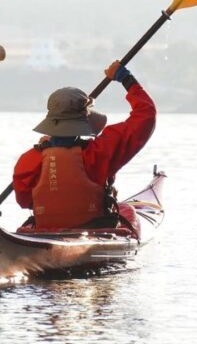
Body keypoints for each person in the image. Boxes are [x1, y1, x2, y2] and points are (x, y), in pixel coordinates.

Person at [12, 60, 156, 235]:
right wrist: (127, 80)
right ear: (83, 122)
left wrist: (50, 151)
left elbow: (24, 201)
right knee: (126, 210)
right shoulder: (100, 152)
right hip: (94, 231)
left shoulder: (29, 159)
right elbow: (146, 116)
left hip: (46, 231)